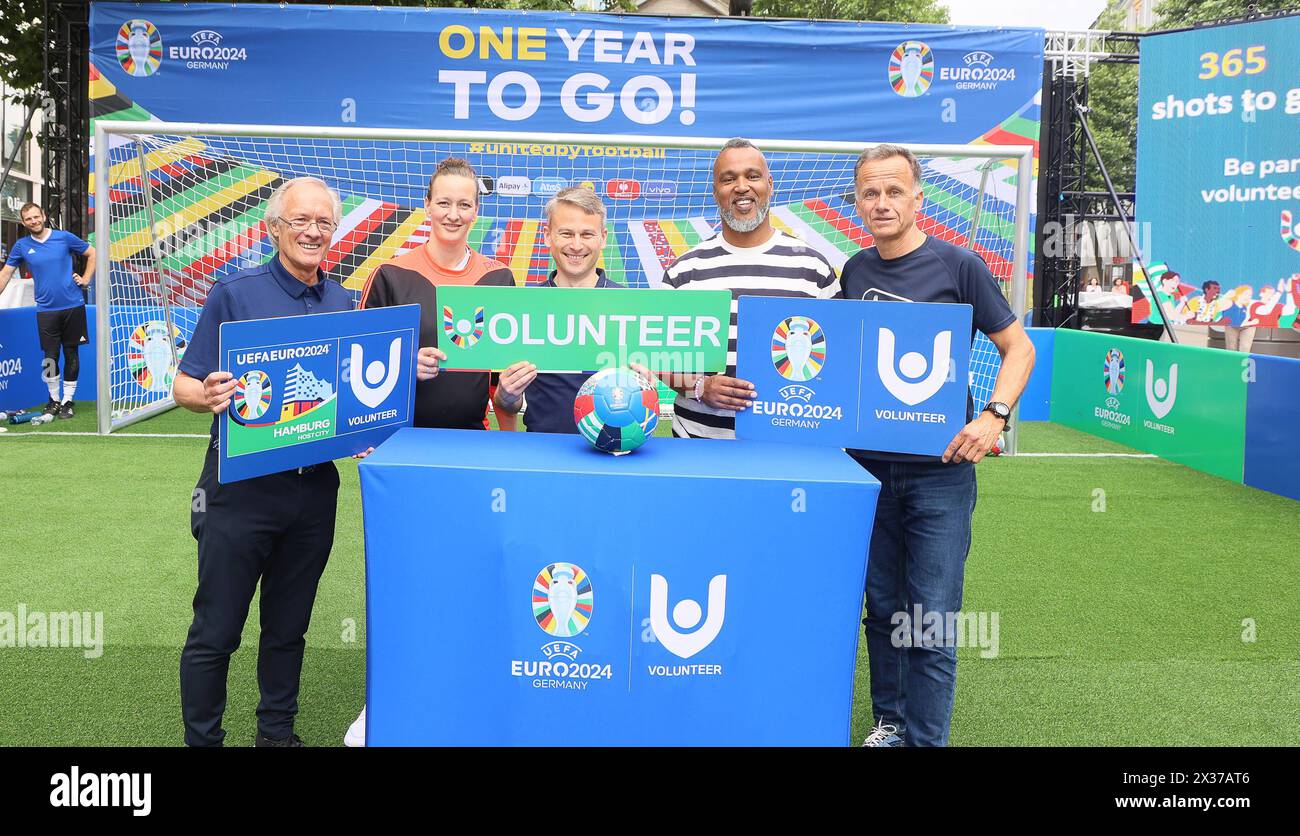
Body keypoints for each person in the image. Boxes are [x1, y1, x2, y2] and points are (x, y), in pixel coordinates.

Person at [172, 176, 438, 747]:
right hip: (240, 490)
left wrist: (392, 389)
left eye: (324, 222)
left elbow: (354, 399)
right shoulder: (235, 294)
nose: (314, 231)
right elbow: (184, 385)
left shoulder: (344, 302)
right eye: (301, 221)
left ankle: (276, 736)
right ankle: (203, 740)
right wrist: (209, 394)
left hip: (314, 492)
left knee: (288, 630)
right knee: (216, 631)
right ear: (274, 228)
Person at [840, 144, 1035, 747]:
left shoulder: (959, 265)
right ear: (857, 202)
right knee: (881, 608)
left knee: (930, 619)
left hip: (940, 474)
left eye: (894, 190)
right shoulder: (854, 271)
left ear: (918, 198)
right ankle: (890, 726)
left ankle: (926, 740)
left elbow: (1018, 348)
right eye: (870, 192)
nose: (882, 202)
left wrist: (994, 417)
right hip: (868, 472)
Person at [346, 157, 515, 747]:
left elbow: (502, 382)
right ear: (427, 205)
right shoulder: (392, 275)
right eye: (443, 201)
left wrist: (511, 407)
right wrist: (398, 371)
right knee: (399, 574)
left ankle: (464, 690)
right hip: (401, 452)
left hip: (473, 450)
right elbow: (356, 367)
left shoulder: (499, 279)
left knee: (469, 574)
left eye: (464, 203)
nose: (453, 213)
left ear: (477, 209)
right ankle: (384, 699)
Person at [652, 138, 839, 439]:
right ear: (716, 192)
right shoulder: (684, 271)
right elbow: (658, 356)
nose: (741, 186)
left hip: (786, 446)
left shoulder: (812, 268)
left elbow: (837, 358)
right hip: (697, 444)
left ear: (770, 184)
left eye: (752, 176)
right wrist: (700, 387)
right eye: (729, 179)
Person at [494, 187, 622, 433]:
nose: (576, 245)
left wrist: (645, 385)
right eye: (566, 233)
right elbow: (507, 404)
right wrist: (507, 394)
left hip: (614, 453)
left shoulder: (630, 305)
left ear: (603, 238)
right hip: (543, 455)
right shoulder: (525, 308)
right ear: (547, 235)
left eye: (586, 234)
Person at [0, 202, 96, 418]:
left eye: (36, 216)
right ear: (24, 223)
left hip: (73, 306)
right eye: (29, 219)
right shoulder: (21, 246)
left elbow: (92, 253)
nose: (34, 221)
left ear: (43, 215)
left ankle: (68, 400)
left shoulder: (64, 237)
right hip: (46, 310)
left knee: (71, 354)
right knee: (50, 357)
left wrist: (86, 279)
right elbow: (5, 273)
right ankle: (53, 399)